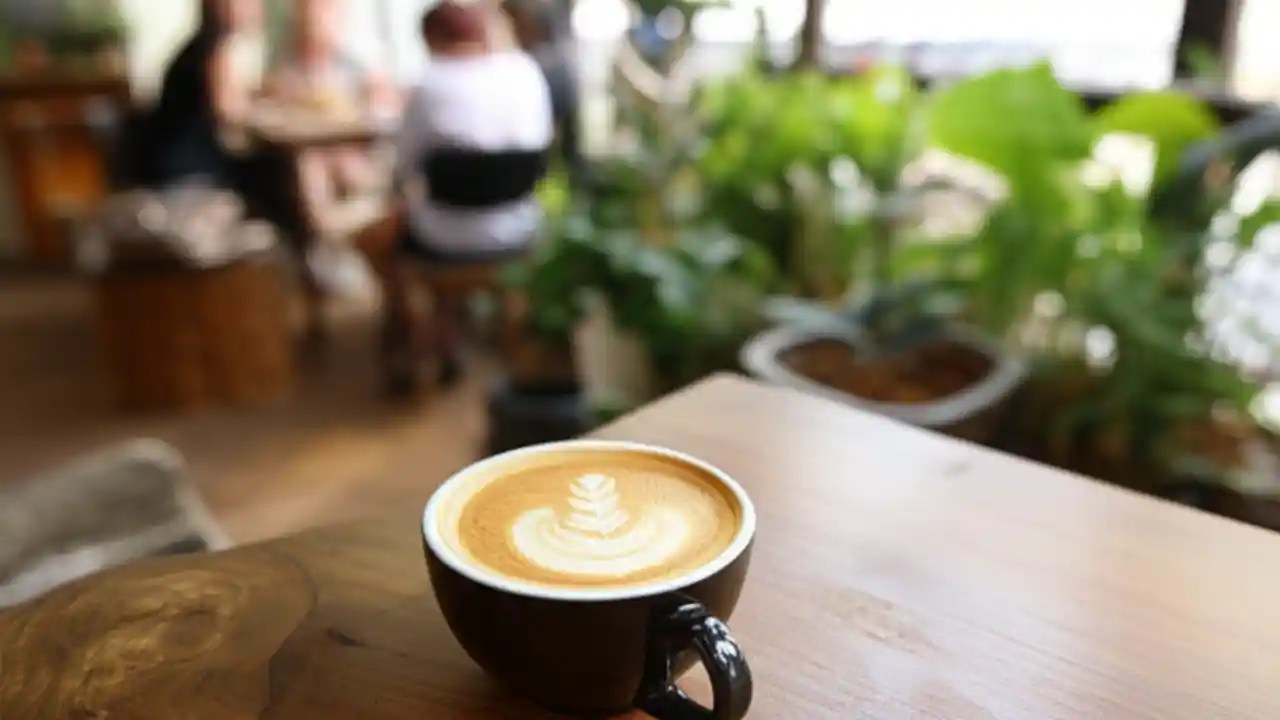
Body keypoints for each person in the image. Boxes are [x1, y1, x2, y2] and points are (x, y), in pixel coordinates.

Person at [360, 1, 553, 393]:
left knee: (377, 238)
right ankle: (451, 327)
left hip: (445, 237)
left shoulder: (428, 84)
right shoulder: (525, 71)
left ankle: (421, 336)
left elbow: (406, 168)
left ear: (432, 38)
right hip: (520, 227)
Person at [146, 0, 265, 190]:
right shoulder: (219, 49)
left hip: (168, 161)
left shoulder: (199, 45)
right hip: (192, 170)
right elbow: (229, 112)